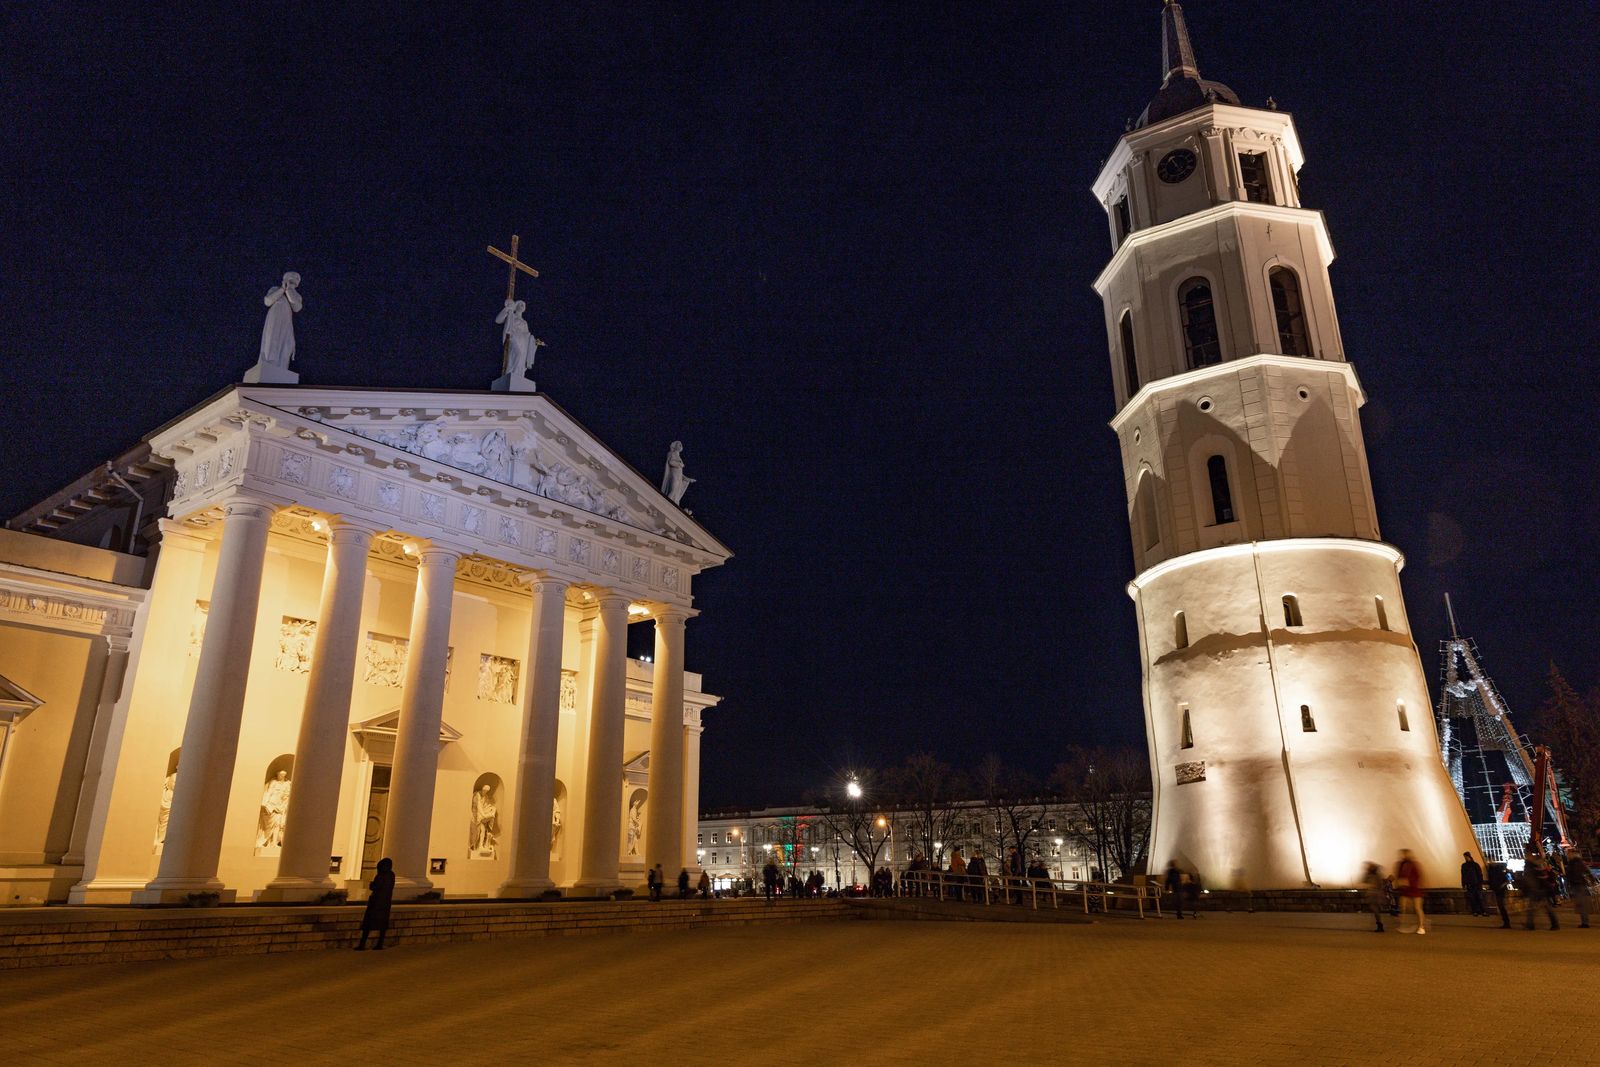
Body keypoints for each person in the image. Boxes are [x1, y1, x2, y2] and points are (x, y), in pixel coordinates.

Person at [355, 857, 395, 951]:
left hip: (376, 902)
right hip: (385, 903)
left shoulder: (380, 875)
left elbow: (375, 887)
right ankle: (379, 944)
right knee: (382, 925)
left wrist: (371, 885)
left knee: (368, 924)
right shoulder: (391, 875)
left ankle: (362, 944)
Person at [1521, 851, 1560, 930]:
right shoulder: (1533, 865)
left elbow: (1531, 878)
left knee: (1534, 908)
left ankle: (1531, 925)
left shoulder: (1531, 866)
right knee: (1542, 908)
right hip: (1539, 889)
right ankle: (1554, 924)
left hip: (1536, 889)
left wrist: (1532, 888)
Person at [1395, 849, 1425, 934]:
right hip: (1405, 890)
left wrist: (1410, 882)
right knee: (1403, 907)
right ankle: (1404, 925)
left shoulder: (1414, 864)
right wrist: (1399, 882)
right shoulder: (1400, 864)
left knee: (1417, 908)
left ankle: (1421, 927)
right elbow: (1398, 875)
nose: (1404, 856)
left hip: (1415, 890)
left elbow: (1419, 876)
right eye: (1403, 854)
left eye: (1405, 854)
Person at [1561, 852, 1594, 928]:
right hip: (1581, 884)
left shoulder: (1572, 864)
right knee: (1582, 904)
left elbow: (1569, 875)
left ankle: (1585, 922)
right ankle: (1585, 921)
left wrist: (1569, 885)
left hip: (1577, 885)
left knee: (1581, 904)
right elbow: (1587, 872)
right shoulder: (1580, 863)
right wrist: (1591, 880)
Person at [1485, 859, 1512, 927]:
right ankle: (1506, 922)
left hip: (1499, 890)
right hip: (1498, 890)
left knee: (1501, 906)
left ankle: (1506, 922)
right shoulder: (1494, 871)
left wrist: (1501, 886)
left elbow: (1505, 880)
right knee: (1501, 906)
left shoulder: (1494, 871)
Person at [1361, 861, 1386, 932]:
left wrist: (1370, 886)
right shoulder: (1377, 875)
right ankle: (1379, 924)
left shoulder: (1370, 875)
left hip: (1373, 895)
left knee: (1375, 909)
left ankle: (1379, 925)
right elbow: (1381, 885)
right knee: (1375, 910)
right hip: (1375, 894)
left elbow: (1364, 883)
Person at [1460, 851, 1486, 917]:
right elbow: (1463, 875)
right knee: (1472, 899)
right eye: (1465, 857)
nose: (1465, 858)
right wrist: (1463, 884)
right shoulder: (1464, 866)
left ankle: (1482, 911)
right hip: (1470, 885)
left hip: (1476, 884)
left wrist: (1480, 883)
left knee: (1479, 898)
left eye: (1466, 857)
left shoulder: (1475, 865)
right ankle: (1475, 911)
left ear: (1469, 856)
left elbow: (1480, 874)